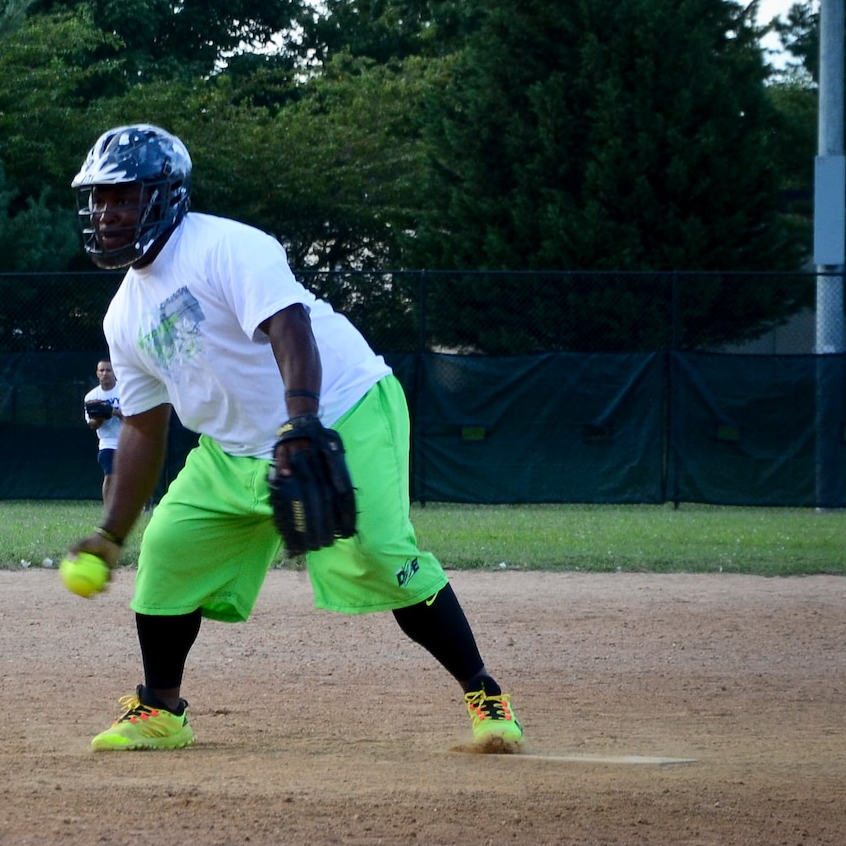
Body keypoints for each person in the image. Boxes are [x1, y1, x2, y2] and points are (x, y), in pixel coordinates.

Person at [64, 124, 523, 754]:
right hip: (233, 450)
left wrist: (302, 423)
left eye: (123, 197)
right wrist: (113, 533)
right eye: (99, 199)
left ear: (164, 195)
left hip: (339, 408)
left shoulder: (226, 247)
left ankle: (485, 693)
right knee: (170, 547)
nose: (107, 213)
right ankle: (161, 710)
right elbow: (144, 426)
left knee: (380, 554)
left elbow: (290, 328)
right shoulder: (124, 315)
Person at [83, 359, 122, 503]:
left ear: (114, 373)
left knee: (134, 476)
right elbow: (92, 425)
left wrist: (113, 411)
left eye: (108, 370)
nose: (105, 373)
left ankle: (145, 501)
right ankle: (109, 510)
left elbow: (134, 419)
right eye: (102, 370)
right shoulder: (92, 397)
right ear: (97, 373)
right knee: (110, 475)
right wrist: (100, 417)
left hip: (128, 439)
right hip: (108, 441)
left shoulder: (125, 391)